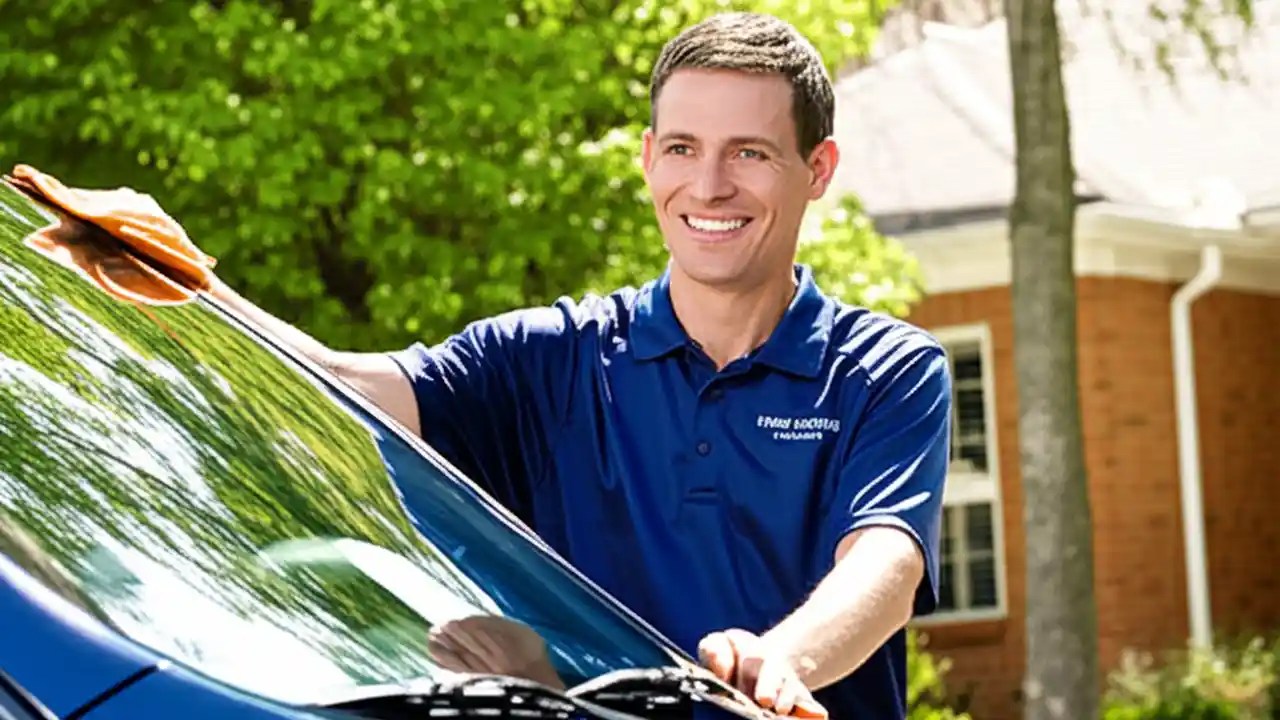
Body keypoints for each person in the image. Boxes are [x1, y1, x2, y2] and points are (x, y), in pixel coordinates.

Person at [190, 12, 951, 718]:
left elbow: (884, 567)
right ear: (650, 159)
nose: (709, 184)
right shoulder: (551, 359)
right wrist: (185, 287)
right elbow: (340, 387)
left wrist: (775, 661)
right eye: (683, 148)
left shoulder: (885, 371)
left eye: (748, 153)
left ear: (818, 169)